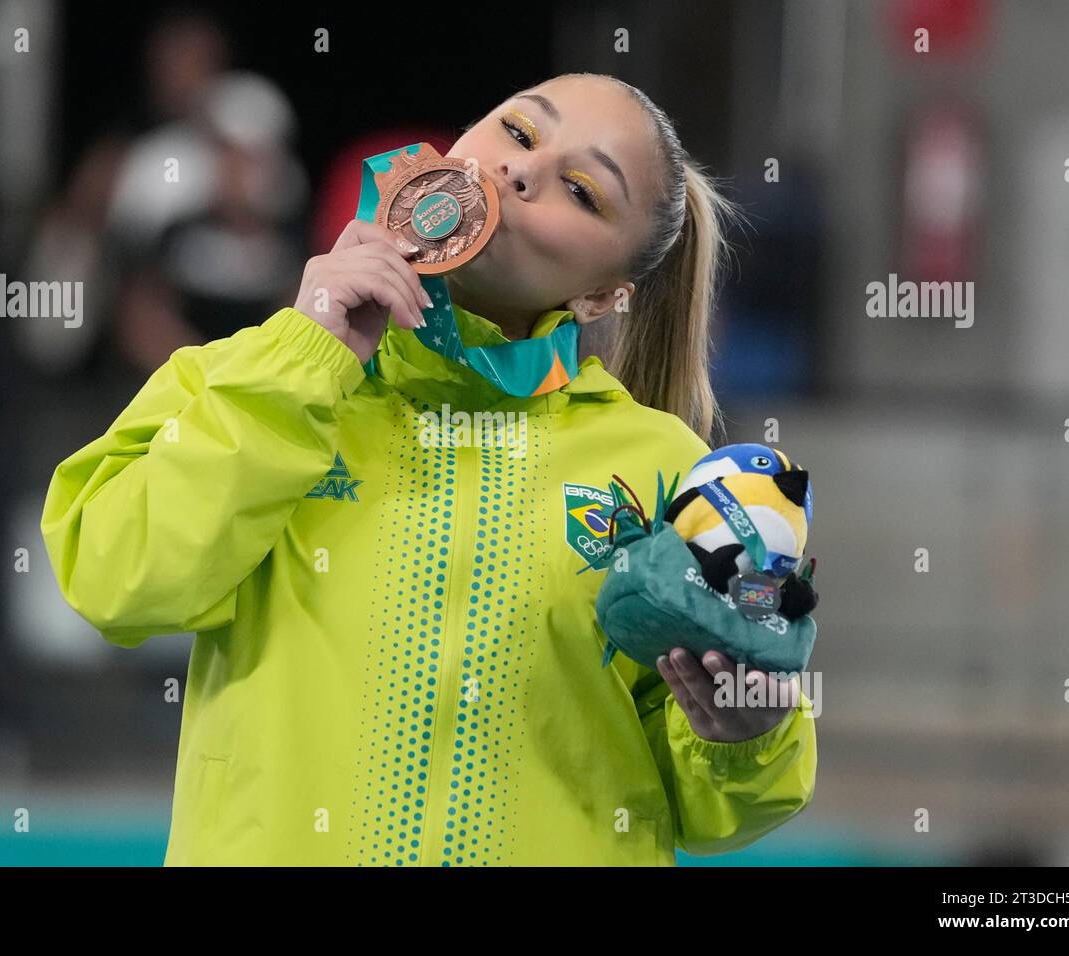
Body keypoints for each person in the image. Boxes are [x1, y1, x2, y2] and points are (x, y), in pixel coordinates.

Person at [40, 72, 817, 866]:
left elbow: (709, 806)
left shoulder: (661, 470)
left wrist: (746, 738)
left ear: (600, 297)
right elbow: (115, 579)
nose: (522, 171)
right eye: (517, 133)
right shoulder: (243, 380)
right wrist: (304, 364)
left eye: (581, 191)